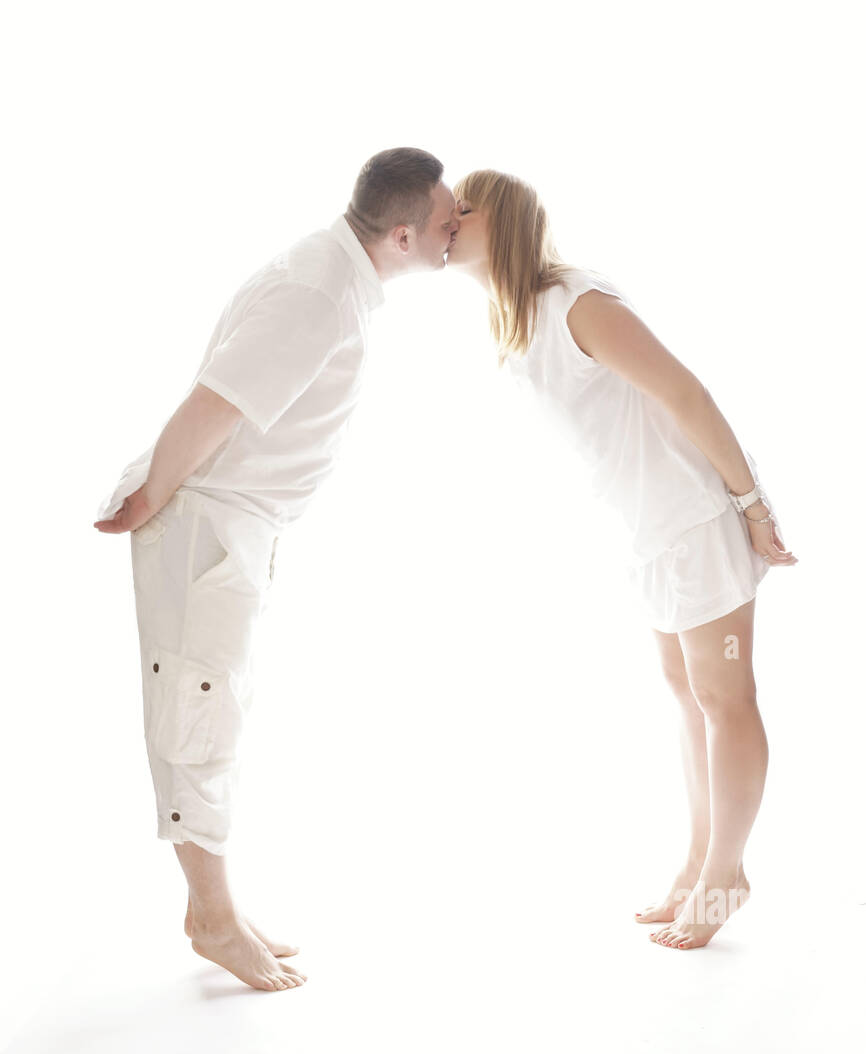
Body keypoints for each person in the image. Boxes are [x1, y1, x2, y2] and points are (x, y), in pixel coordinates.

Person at [93, 148, 461, 991]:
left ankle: (215, 904)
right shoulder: (319, 294)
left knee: (215, 706)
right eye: (445, 224)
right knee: (198, 714)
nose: (455, 235)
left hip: (237, 523)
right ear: (401, 233)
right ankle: (211, 918)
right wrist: (151, 499)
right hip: (208, 519)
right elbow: (214, 403)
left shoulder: (337, 274)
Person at [446, 169, 798, 951]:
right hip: (645, 533)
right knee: (686, 693)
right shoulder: (514, 317)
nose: (449, 219)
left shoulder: (578, 300)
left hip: (695, 520)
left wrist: (752, 506)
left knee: (723, 695)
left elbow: (687, 394)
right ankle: (702, 864)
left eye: (465, 209)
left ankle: (724, 876)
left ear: (503, 223)